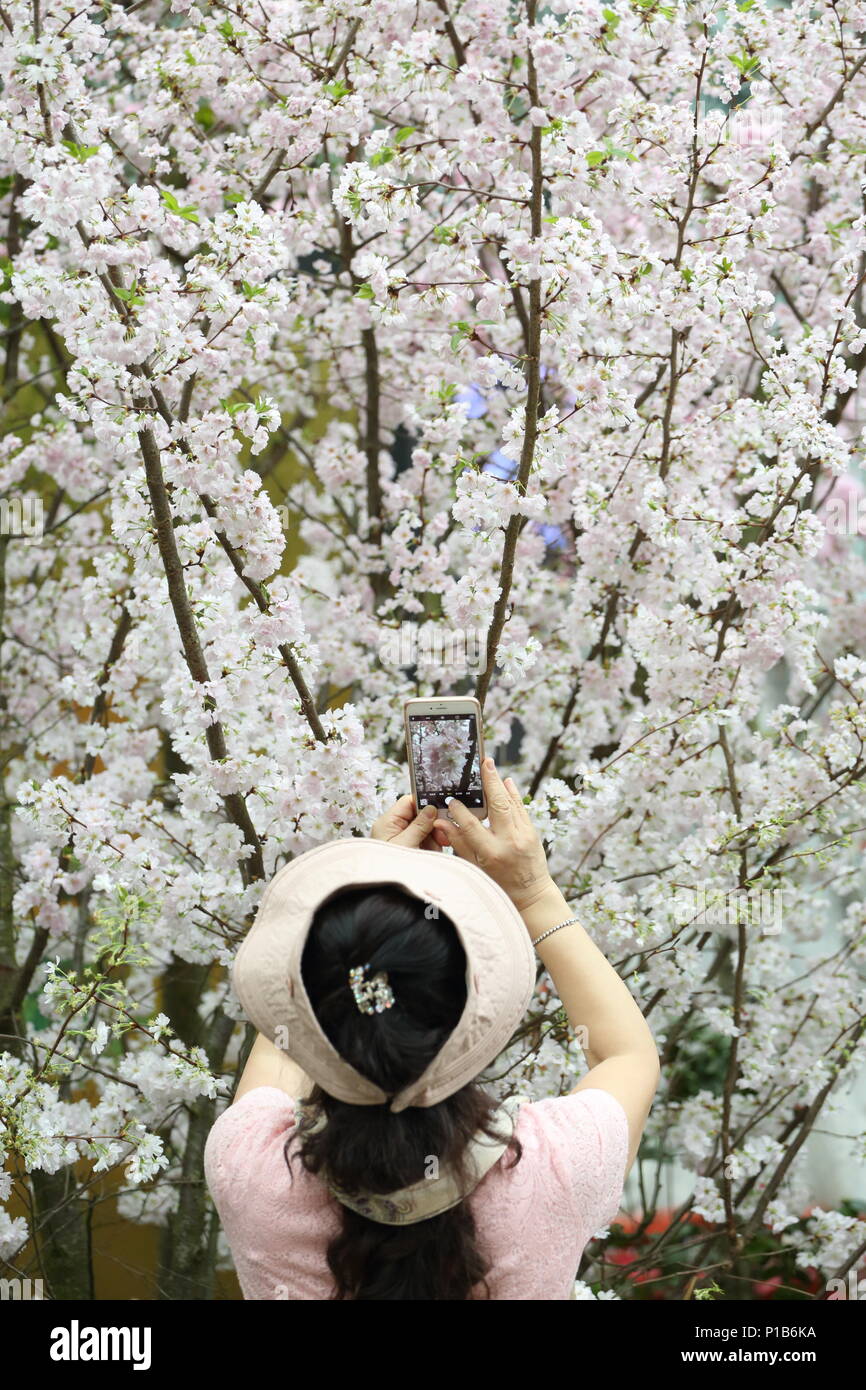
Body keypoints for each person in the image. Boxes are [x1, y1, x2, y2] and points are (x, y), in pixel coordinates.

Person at [204, 757, 660, 1300]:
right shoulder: (558, 1165)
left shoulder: (250, 1165)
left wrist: (367, 887)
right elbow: (626, 1056)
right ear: (472, 1012)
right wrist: (533, 892)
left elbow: (294, 1026)